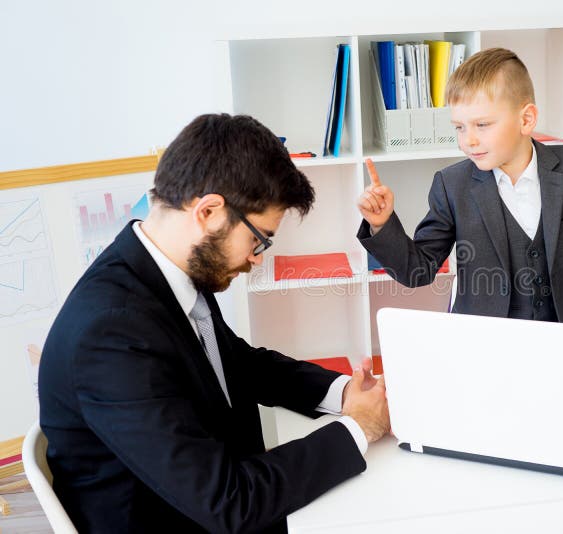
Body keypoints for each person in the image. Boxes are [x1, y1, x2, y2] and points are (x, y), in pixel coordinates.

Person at [38, 113, 390, 533]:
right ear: (208, 210)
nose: (257, 257)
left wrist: (343, 391)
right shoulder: (111, 334)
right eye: (257, 238)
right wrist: (356, 429)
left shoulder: (168, 273)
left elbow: (238, 363)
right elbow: (229, 502)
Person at [357, 47, 563, 356]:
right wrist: (382, 224)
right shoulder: (452, 184)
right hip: (485, 347)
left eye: (482, 124)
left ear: (526, 119)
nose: (468, 139)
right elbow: (419, 270)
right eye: (459, 127)